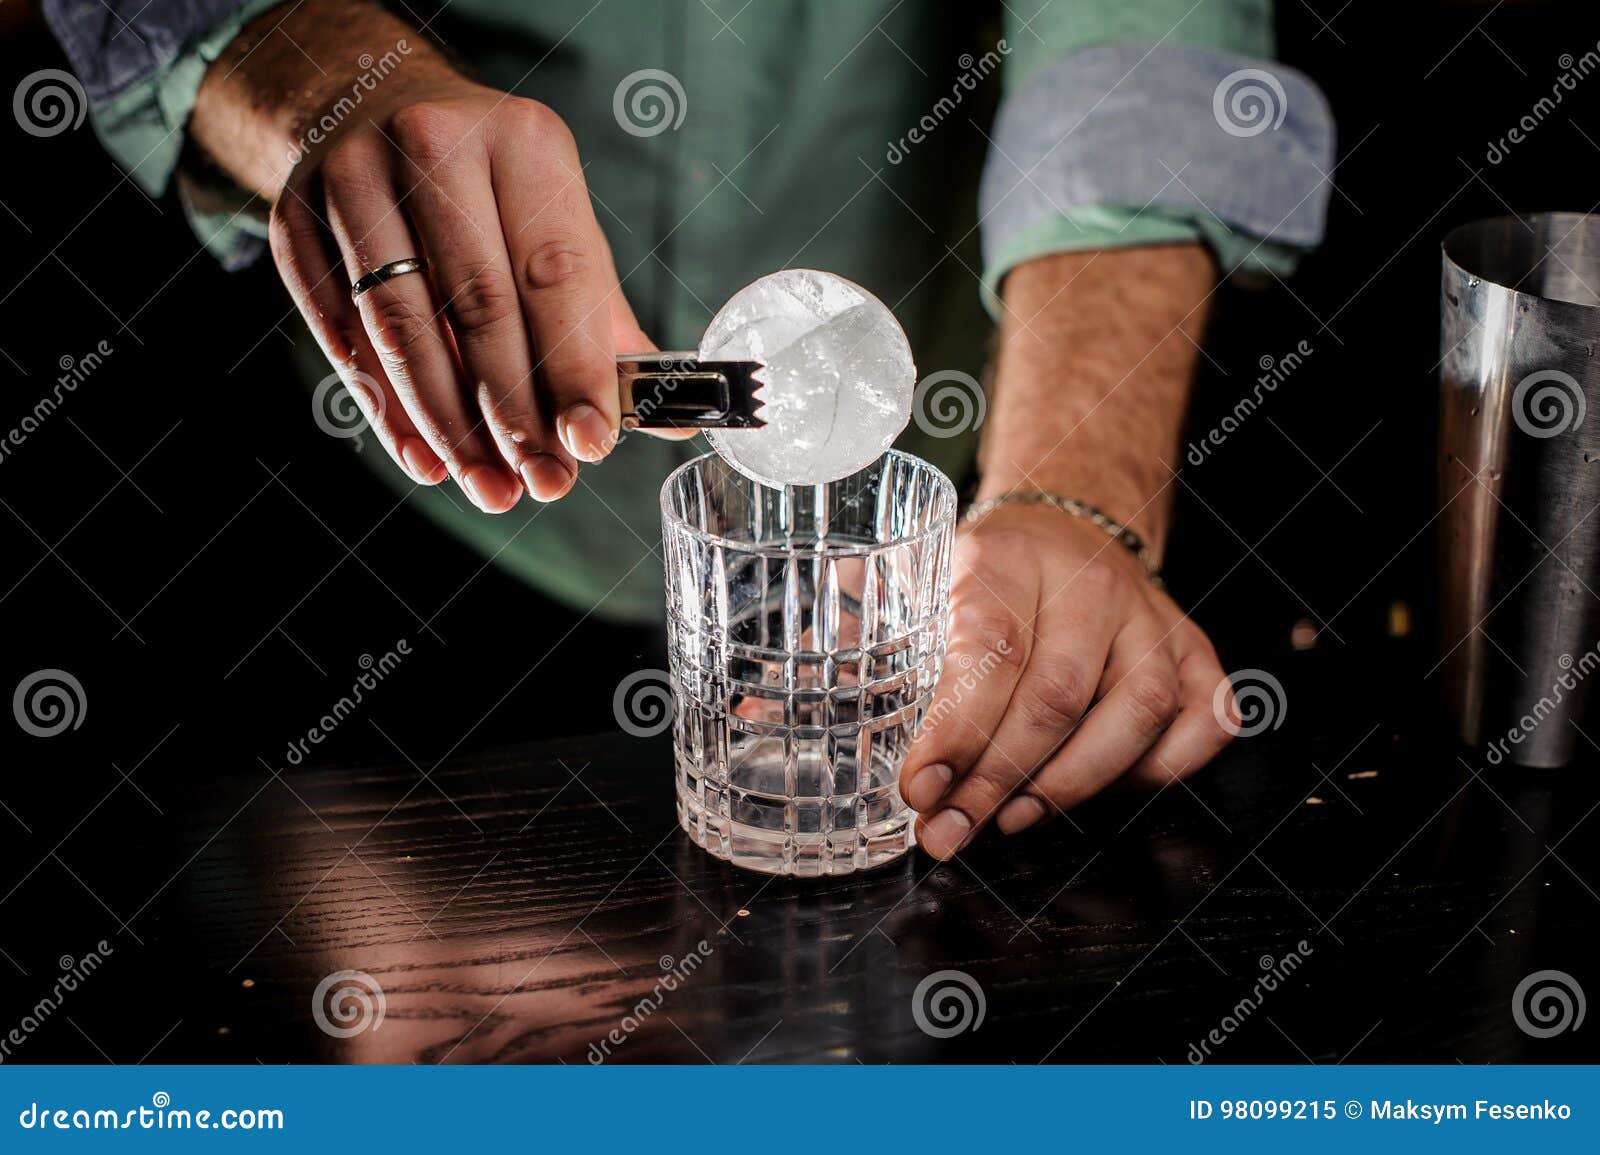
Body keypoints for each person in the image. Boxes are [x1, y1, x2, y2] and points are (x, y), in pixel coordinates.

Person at [44, 0, 1332, 859]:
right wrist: (326, 83)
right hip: (389, 521)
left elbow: (1138, 34)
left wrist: (1075, 493)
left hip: (964, 540)